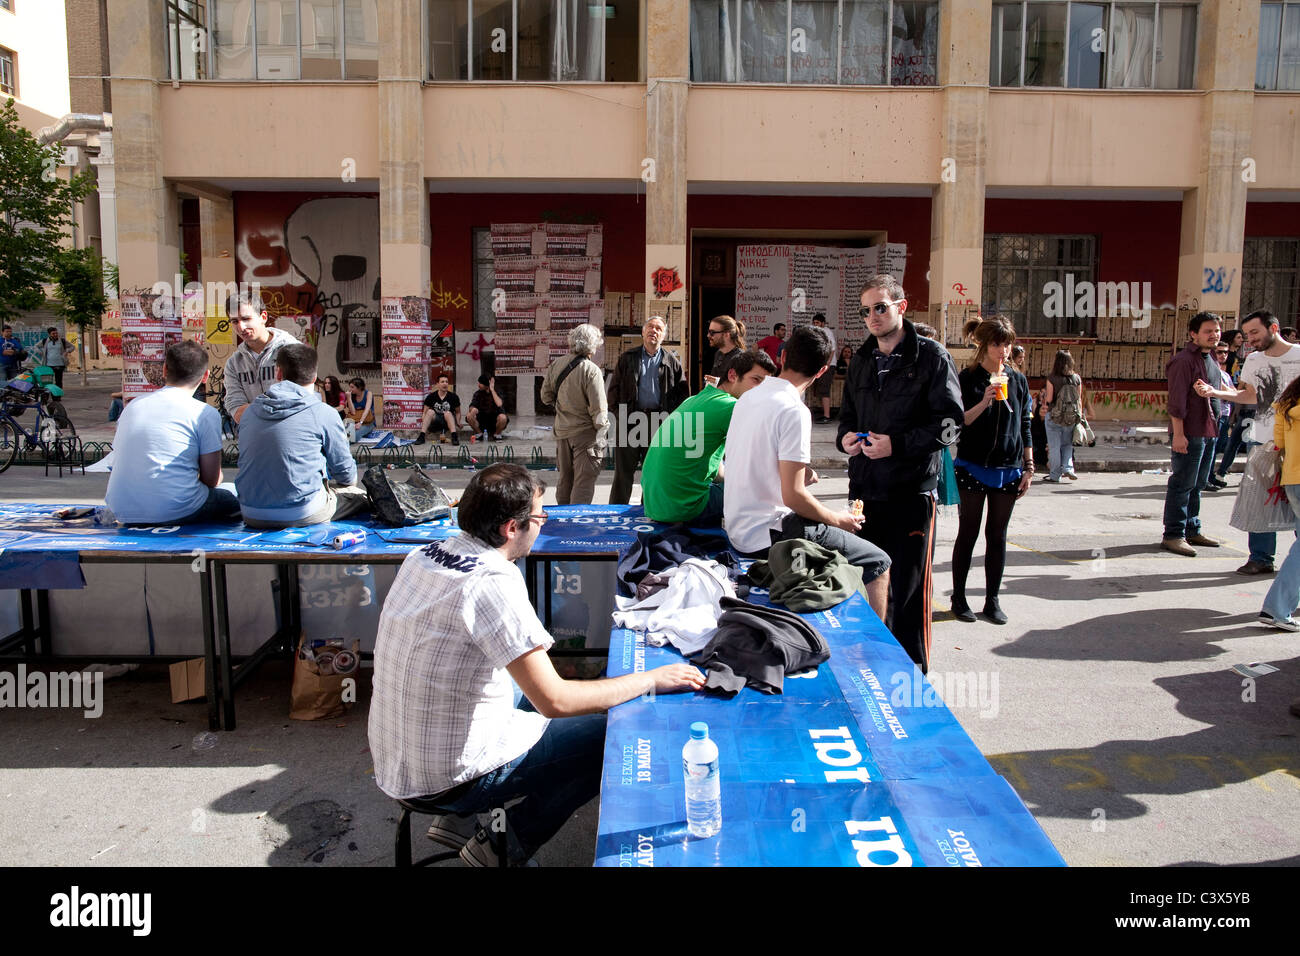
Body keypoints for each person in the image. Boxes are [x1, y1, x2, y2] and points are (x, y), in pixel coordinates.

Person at [368, 463, 704, 866]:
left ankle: (460, 823)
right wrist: (651, 679)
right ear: (512, 527)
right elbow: (556, 702)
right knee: (613, 734)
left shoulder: (424, 554)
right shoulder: (492, 580)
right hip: (444, 779)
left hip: (397, 762)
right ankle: (503, 840)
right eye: (540, 517)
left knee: (514, 685)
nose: (542, 525)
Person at [837, 273, 964, 674]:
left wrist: (898, 444)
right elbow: (847, 418)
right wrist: (845, 440)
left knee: (907, 593)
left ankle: (912, 675)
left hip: (910, 494)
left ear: (901, 307)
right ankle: (872, 669)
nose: (872, 317)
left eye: (880, 307)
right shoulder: (860, 360)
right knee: (867, 587)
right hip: (865, 491)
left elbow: (950, 426)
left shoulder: (931, 357)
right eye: (866, 310)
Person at [724, 326, 891, 619]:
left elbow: (758, 462)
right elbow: (793, 496)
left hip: (739, 526)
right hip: (768, 534)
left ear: (783, 356)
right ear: (823, 370)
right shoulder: (794, 410)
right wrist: (838, 519)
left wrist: (802, 475)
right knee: (878, 562)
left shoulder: (749, 397)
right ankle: (873, 656)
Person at [1196, 309, 1300, 572]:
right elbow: (1250, 396)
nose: (1250, 339)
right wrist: (1215, 392)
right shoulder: (1253, 360)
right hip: (1262, 440)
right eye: (1246, 334)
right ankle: (1261, 558)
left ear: (1273, 328)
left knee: (1298, 501)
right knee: (1260, 501)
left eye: (1255, 332)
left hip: (1296, 441)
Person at [949, 317, 1034, 625]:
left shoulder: (1018, 379)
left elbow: (1024, 423)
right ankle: (959, 597)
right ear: (983, 346)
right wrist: (985, 399)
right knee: (968, 533)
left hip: (1009, 468)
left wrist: (1029, 465)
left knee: (997, 536)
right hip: (973, 465)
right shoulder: (968, 378)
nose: (1004, 350)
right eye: (998, 344)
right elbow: (960, 422)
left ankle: (992, 600)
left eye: (1007, 343)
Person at [105, 341, 240, 526]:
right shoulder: (205, 413)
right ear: (206, 376)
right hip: (177, 509)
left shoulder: (133, 406)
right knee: (233, 493)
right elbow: (212, 480)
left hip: (121, 509)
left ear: (164, 370)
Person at [235, 344, 370, 528]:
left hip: (250, 512)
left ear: (279, 374)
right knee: (360, 495)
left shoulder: (249, 412)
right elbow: (347, 476)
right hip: (304, 512)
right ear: (315, 377)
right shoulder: (324, 413)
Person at [641, 349, 776, 525]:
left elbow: (717, 468)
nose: (761, 390)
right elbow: (759, 460)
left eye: (765, 384)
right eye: (756, 380)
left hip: (654, 505)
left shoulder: (695, 399)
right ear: (733, 375)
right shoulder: (732, 406)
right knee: (762, 490)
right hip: (684, 508)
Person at [1160, 312, 1223, 556]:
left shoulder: (1212, 359)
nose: (1214, 335)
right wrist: (1178, 434)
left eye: (1216, 330)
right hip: (1189, 432)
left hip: (1209, 431)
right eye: (1208, 331)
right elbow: (1176, 401)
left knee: (1197, 484)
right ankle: (1173, 534)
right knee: (1182, 483)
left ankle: (1192, 529)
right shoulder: (1183, 361)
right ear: (1193, 334)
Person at [607, 315, 687, 505]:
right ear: (643, 332)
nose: (654, 331)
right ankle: (616, 513)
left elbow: (682, 396)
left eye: (659, 329)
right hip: (630, 421)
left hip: (658, 423)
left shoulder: (672, 363)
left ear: (664, 335)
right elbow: (613, 391)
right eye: (650, 327)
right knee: (623, 474)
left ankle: (648, 510)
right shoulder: (628, 358)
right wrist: (620, 415)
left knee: (653, 472)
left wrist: (671, 421)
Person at [540, 324, 608, 505]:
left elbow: (545, 396)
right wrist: (602, 436)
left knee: (565, 480)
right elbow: (599, 410)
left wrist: (563, 405)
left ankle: (562, 518)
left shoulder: (556, 364)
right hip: (585, 434)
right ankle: (576, 524)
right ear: (592, 345)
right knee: (583, 482)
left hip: (562, 432)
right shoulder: (591, 370)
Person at [1260, 375, 1300, 630]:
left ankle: (1279, 606)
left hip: (1293, 479)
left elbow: (1280, 444)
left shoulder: (1286, 403)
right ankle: (1277, 606)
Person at [223, 291, 297, 425]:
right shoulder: (233, 363)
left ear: (263, 316)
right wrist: (274, 405)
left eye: (246, 319)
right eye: (234, 321)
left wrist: (252, 409)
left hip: (290, 436)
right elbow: (237, 412)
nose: (241, 327)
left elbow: (296, 403)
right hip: (253, 439)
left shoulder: (292, 350)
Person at [1042, 349, 1084, 482]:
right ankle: (1068, 468)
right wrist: (1080, 416)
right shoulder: (1076, 378)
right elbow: (1079, 399)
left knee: (1054, 446)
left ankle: (1055, 475)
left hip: (1054, 416)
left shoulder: (1052, 378)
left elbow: (1049, 399)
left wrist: (1044, 403)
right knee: (1067, 445)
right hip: (1071, 417)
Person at [1202, 342, 1235, 491]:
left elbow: (1233, 391)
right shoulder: (1213, 369)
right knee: (1211, 448)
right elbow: (1227, 391)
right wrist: (1231, 394)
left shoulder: (1226, 374)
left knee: (1218, 447)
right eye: (1220, 352)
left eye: (1226, 352)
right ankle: (1205, 477)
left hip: (1225, 414)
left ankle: (1210, 476)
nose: (1223, 355)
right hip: (1216, 414)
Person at [419, 374, 462, 445]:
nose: (445, 384)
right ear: (437, 384)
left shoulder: (454, 397)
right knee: (430, 411)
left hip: (448, 421)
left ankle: (454, 437)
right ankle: (421, 436)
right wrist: (425, 424)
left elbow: (458, 412)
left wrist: (458, 422)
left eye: (446, 382)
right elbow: (424, 413)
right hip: (435, 421)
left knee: (447, 413)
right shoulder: (431, 396)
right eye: (442, 382)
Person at [810, 313, 836, 423]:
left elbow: (832, 348)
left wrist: (828, 363)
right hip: (820, 365)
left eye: (818, 323)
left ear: (823, 323)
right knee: (820, 390)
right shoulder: (815, 332)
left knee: (824, 390)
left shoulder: (827, 332)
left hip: (827, 366)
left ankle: (827, 416)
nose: (815, 324)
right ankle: (824, 414)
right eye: (814, 322)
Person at [467, 374, 509, 440]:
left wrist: (492, 390)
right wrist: (473, 410)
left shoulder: (498, 392)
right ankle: (479, 434)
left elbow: (499, 404)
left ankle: (497, 435)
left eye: (480, 383)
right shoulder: (478, 393)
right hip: (482, 421)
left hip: (495, 422)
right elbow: (471, 406)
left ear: (486, 384)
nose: (478, 385)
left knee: (503, 417)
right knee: (469, 415)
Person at [706, 314, 744, 381]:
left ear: (727, 334)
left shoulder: (740, 358)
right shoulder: (719, 354)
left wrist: (716, 382)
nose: (708, 335)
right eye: (708, 332)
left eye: (712, 332)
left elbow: (738, 386)